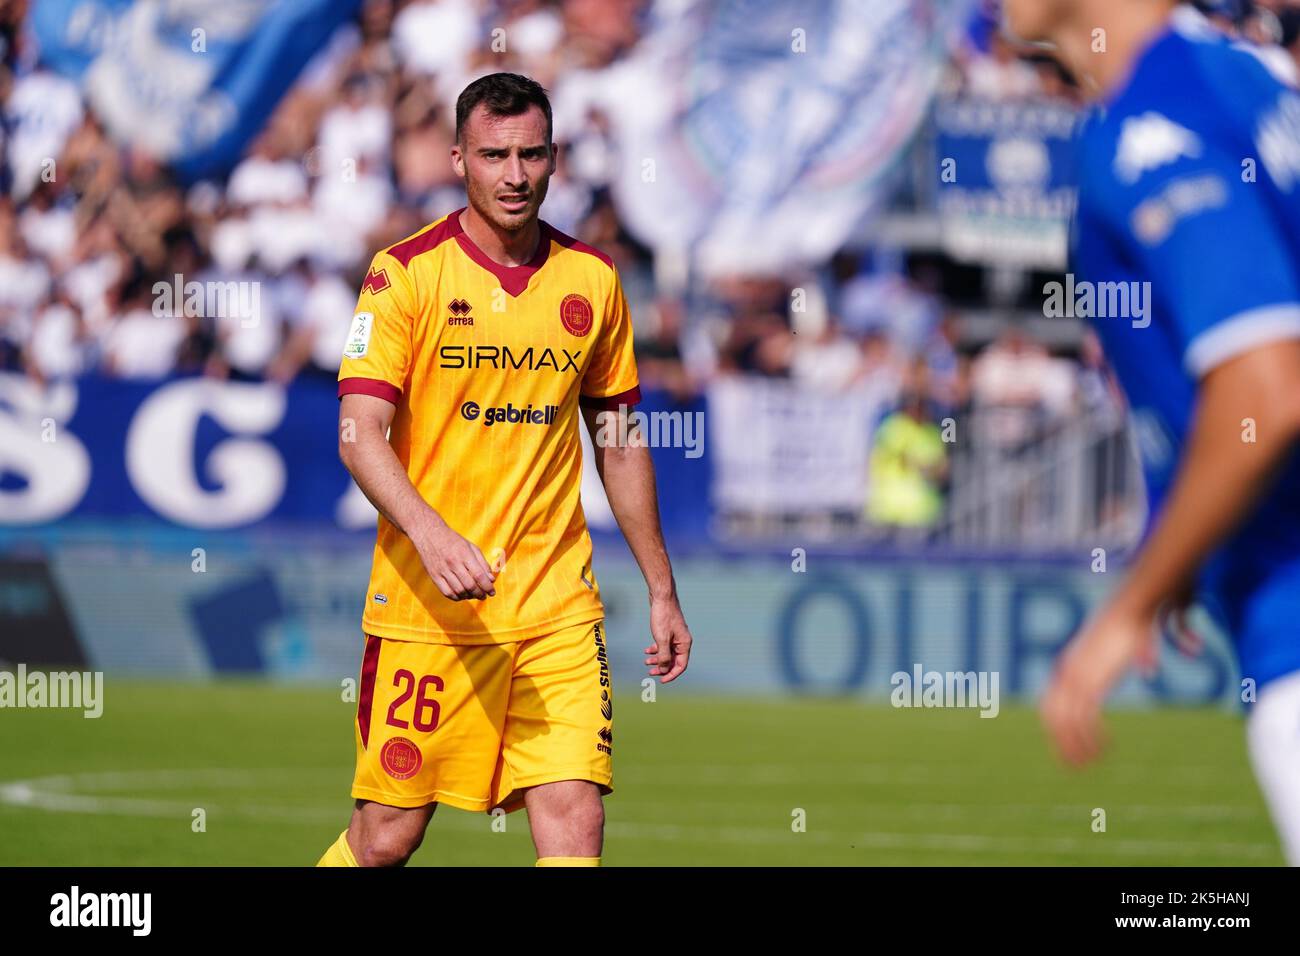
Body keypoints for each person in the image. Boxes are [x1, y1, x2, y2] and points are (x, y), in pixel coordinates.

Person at [317, 72, 693, 867]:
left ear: (554, 158)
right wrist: (431, 534)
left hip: (557, 605)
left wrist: (661, 587)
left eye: (531, 155)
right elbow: (359, 433)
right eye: (494, 156)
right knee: (387, 836)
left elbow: (619, 439)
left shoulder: (592, 280)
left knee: (574, 818)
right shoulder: (404, 274)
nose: (515, 175)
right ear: (459, 159)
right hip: (430, 609)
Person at [1005, 0, 1300, 864]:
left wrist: (1127, 609)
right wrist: (1189, 544)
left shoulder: (1151, 121)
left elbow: (1266, 394)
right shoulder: (1250, 80)